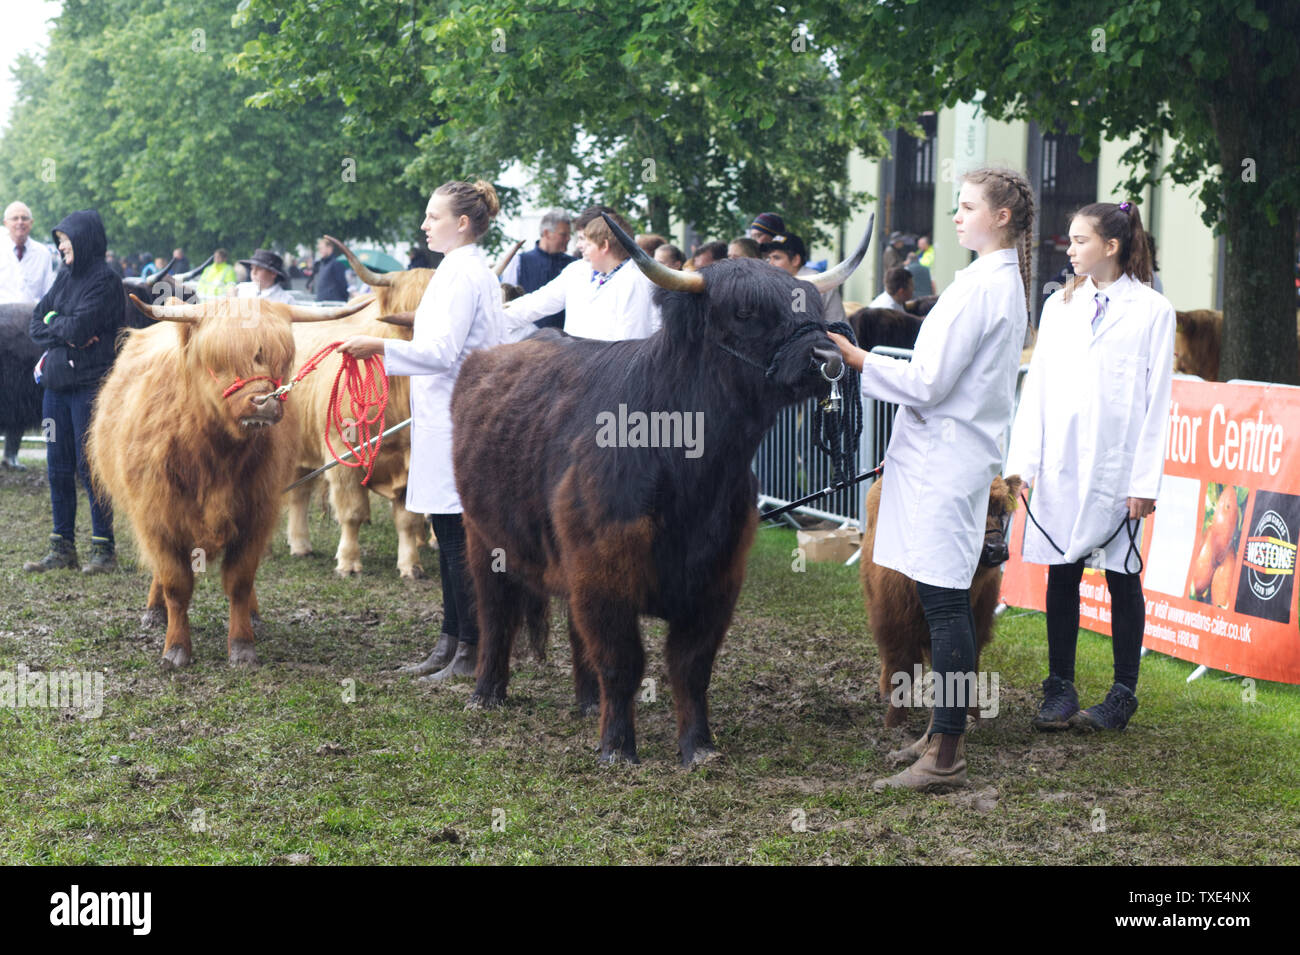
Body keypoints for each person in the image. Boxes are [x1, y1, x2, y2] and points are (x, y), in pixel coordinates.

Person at [829, 167, 1034, 791]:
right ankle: (939, 732)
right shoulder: (982, 281)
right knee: (941, 599)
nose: (956, 215)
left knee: (946, 605)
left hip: (950, 462)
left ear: (1001, 217)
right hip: (937, 455)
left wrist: (860, 359)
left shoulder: (988, 289)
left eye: (968, 206)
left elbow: (928, 382)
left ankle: (946, 753)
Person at [1007, 201, 1174, 733]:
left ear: (1111, 246)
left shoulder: (1152, 311)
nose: (1070, 249)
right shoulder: (1059, 307)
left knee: (1123, 577)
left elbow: (1157, 401)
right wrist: (1023, 463)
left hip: (1117, 469)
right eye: (1070, 241)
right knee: (1063, 570)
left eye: (1080, 241)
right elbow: (1038, 389)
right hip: (1062, 462)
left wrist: (1144, 482)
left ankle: (1123, 693)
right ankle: (1059, 686)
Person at [338, 180, 508, 683]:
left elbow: (441, 352)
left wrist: (379, 348)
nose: (424, 225)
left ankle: (470, 650)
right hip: (446, 415)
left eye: (433, 217)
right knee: (450, 531)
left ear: (461, 223)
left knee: (458, 538)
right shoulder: (458, 270)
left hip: (459, 417)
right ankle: (450, 641)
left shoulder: (461, 275)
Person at [24, 209, 123, 574]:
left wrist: (63, 327)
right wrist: (60, 326)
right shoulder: (65, 276)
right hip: (55, 387)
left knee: (90, 466)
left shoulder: (106, 280)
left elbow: (82, 328)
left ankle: (104, 550)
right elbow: (37, 321)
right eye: (59, 241)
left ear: (83, 239)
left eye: (65, 240)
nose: (61, 246)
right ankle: (62, 547)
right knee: (57, 466)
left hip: (89, 387)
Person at [502, 206, 661, 341]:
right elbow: (535, 304)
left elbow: (631, 343)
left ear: (604, 241)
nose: (579, 246)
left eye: (584, 239)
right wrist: (493, 317)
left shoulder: (637, 280)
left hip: (609, 372)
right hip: (575, 368)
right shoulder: (577, 270)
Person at [499, 209, 574, 329]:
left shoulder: (573, 266)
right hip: (526, 341)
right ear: (546, 233)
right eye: (563, 234)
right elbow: (508, 297)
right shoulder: (519, 261)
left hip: (565, 343)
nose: (569, 238)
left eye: (569, 234)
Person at [762, 232, 846, 324]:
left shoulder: (820, 284)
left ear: (795, 260)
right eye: (769, 259)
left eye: (777, 258)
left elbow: (839, 329)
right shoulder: (773, 285)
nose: (770, 264)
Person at [0, 201, 56, 303]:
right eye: (15, 218)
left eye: (24, 218)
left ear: (31, 222)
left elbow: (48, 292)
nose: (20, 222)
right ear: (6, 223)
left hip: (32, 315)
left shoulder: (43, 253)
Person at [312, 236, 350, 302]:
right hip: (322, 303)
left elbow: (342, 284)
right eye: (319, 249)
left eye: (321, 248)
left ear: (329, 248)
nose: (320, 251)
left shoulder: (336, 263)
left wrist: (344, 299)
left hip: (334, 304)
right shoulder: (322, 264)